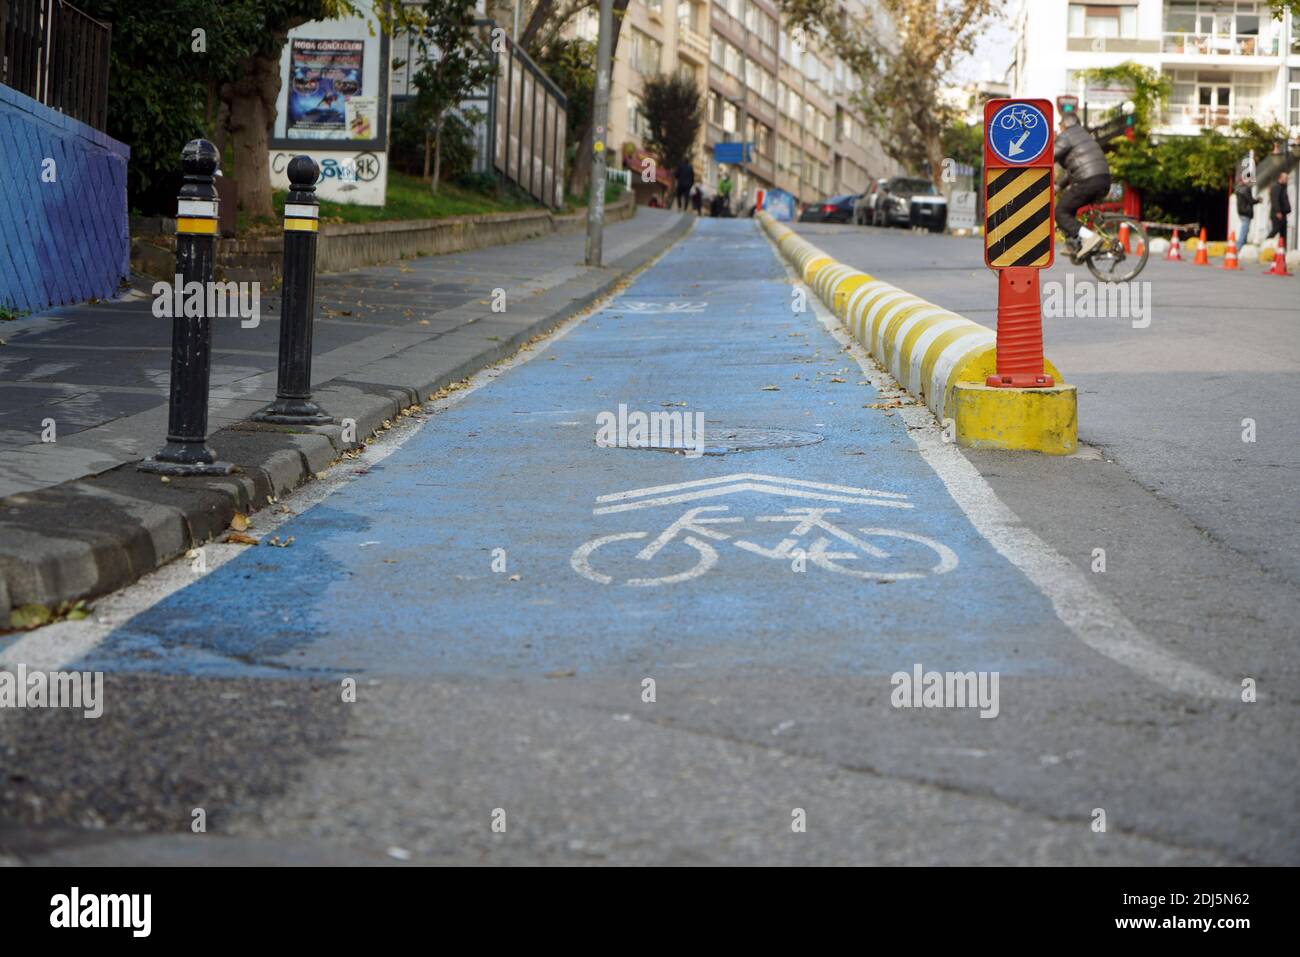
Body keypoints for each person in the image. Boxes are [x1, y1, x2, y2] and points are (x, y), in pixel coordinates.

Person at [1053, 111, 1111, 259]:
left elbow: (1050, 155)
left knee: (1060, 212)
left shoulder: (1067, 136)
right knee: (1069, 209)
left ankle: (1089, 238)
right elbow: (1072, 170)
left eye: (1060, 124)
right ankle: (1075, 245)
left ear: (1065, 124)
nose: (1060, 128)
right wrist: (1059, 186)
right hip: (1102, 179)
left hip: (1088, 181)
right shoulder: (1084, 135)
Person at [1234, 174, 1259, 248]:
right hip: (1246, 212)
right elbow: (1250, 200)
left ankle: (1242, 245)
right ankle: (1239, 246)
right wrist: (1258, 200)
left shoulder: (1239, 188)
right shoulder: (1245, 189)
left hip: (1241, 211)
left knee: (1245, 229)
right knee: (1244, 229)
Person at [1267, 171, 1291, 243]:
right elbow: (1275, 200)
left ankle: (1282, 250)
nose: (1287, 180)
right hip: (1277, 214)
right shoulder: (1276, 187)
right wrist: (1278, 212)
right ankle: (1265, 243)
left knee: (1283, 234)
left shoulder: (1283, 187)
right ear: (1280, 178)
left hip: (1283, 214)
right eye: (1285, 178)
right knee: (1275, 230)